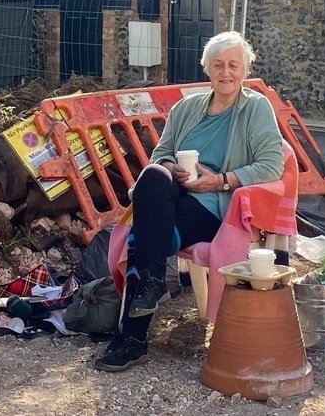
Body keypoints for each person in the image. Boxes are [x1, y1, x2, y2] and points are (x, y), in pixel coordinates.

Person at [92, 31, 284, 372]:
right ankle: (150, 286)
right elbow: (161, 153)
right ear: (206, 69)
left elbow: (271, 165)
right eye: (218, 65)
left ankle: (131, 339)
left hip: (216, 204)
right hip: (175, 193)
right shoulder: (186, 108)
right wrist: (172, 168)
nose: (226, 72)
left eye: (234, 65)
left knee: (143, 236)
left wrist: (219, 180)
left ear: (244, 70)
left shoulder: (256, 108)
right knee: (152, 174)